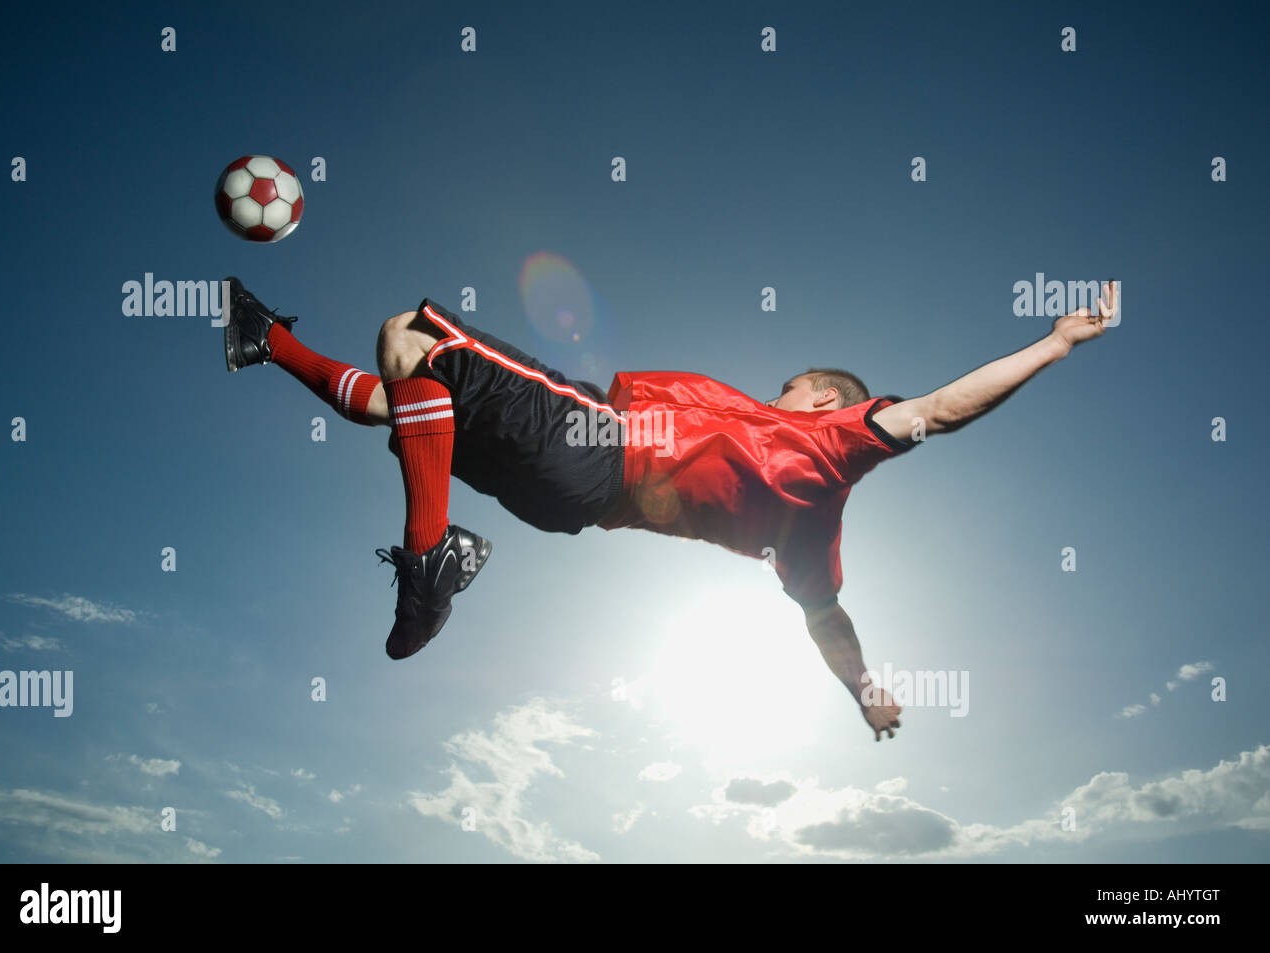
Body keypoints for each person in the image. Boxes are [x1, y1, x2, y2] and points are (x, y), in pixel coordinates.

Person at [222, 277, 1117, 740]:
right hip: (568, 499)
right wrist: (861, 691)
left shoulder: (829, 443)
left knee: (410, 337)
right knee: (408, 388)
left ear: (829, 399)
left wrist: (1054, 341)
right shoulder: (804, 529)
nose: (781, 384)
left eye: (793, 381)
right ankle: (269, 342)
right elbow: (823, 612)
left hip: (595, 443)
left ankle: (428, 563)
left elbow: (938, 409)